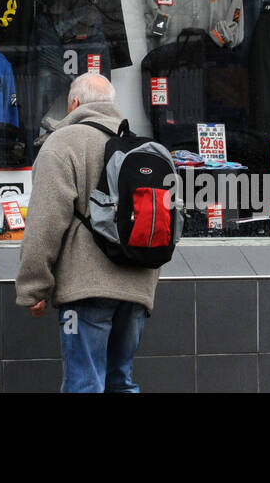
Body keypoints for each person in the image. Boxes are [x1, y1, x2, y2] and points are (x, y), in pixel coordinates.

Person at [14, 73, 161, 393]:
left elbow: (46, 221)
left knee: (84, 383)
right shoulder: (142, 146)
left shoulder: (64, 142)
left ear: (75, 104)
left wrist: (33, 287)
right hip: (137, 291)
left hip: (87, 290)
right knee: (120, 382)